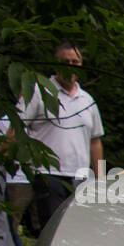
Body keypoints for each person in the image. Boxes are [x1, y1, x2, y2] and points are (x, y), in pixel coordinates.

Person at [17, 41, 104, 231]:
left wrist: (100, 179)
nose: (69, 67)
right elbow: (17, 128)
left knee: (78, 230)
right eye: (65, 62)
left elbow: (95, 141)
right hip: (49, 175)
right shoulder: (39, 92)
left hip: (81, 178)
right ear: (55, 63)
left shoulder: (87, 100)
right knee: (52, 230)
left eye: (75, 63)